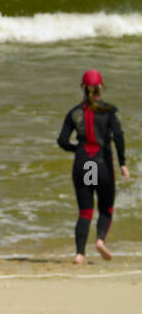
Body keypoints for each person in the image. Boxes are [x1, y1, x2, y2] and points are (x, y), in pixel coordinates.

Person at [57, 69, 129, 264]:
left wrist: (78, 150)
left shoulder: (74, 112)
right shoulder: (109, 111)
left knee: (85, 211)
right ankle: (99, 240)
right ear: (101, 87)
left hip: (85, 163)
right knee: (106, 208)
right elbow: (118, 137)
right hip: (102, 164)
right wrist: (122, 163)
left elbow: (62, 141)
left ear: (83, 87)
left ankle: (80, 254)